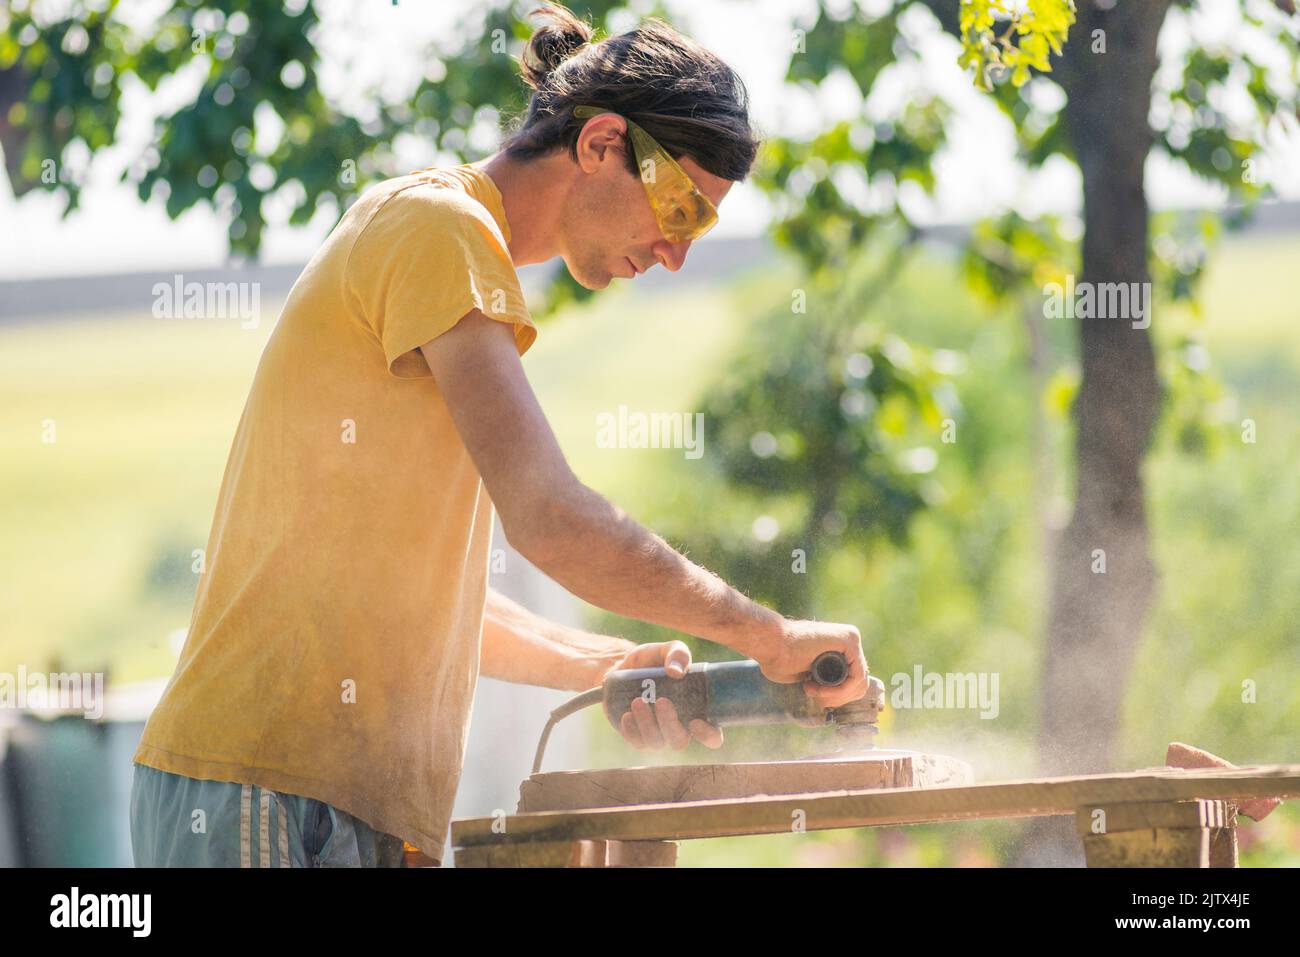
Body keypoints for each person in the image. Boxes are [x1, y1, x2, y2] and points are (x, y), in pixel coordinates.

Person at [129, 2, 870, 868]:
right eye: (681, 209)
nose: (676, 252)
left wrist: (609, 663)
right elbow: (550, 516)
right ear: (599, 145)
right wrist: (768, 637)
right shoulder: (439, 229)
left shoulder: (451, 256)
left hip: (327, 805)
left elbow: (434, 602)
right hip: (263, 786)